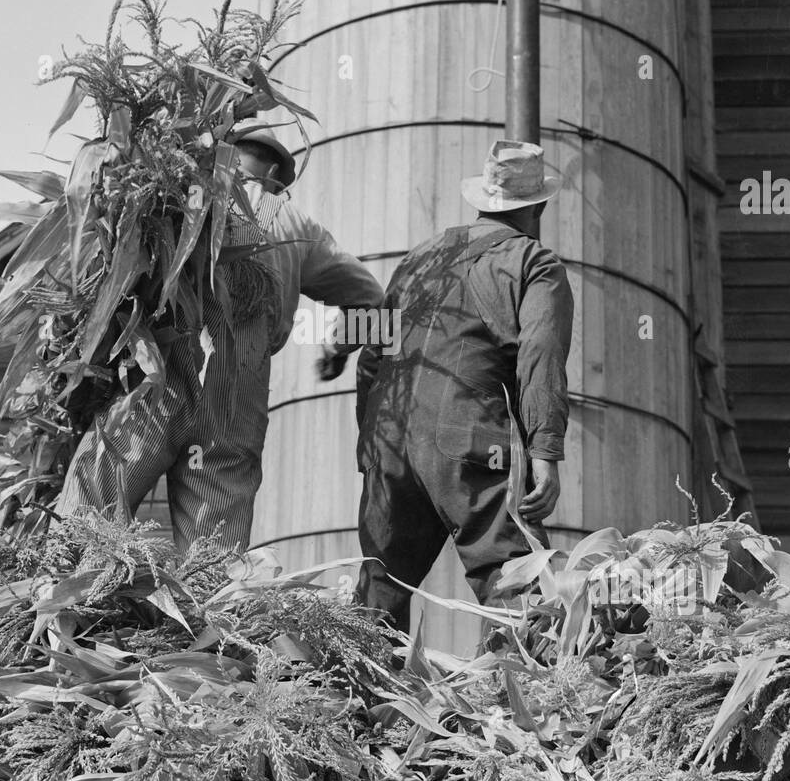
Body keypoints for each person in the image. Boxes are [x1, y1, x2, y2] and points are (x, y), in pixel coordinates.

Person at [54, 123, 383, 551]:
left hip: (164, 374)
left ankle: (69, 600)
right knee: (214, 551)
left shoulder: (179, 188)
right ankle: (207, 612)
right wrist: (338, 349)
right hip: (237, 392)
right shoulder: (297, 224)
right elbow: (372, 297)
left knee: (95, 497)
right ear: (277, 179)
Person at [353, 140, 574, 631]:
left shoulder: (419, 259)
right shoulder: (534, 262)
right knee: (519, 583)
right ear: (538, 205)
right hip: (470, 440)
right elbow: (539, 357)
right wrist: (546, 454)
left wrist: (370, 449)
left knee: (378, 595)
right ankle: (527, 699)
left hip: (389, 448)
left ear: (481, 199)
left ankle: (351, 702)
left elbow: (371, 353)